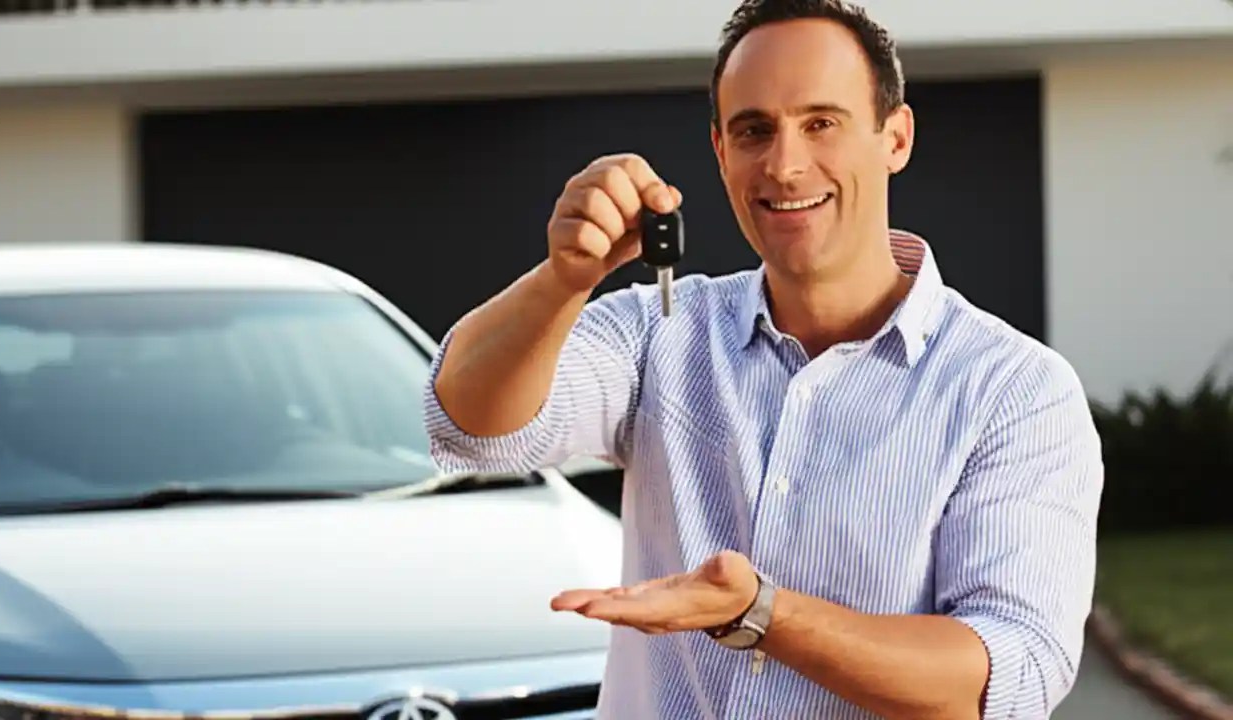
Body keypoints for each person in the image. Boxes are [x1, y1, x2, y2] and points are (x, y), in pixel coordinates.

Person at [422, 0, 1104, 717]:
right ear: (721, 153)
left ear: (895, 137)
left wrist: (761, 614)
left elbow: (1006, 676)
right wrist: (564, 278)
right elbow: (472, 427)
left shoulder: (1014, 391)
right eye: (755, 131)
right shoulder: (660, 330)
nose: (784, 164)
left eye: (821, 123)